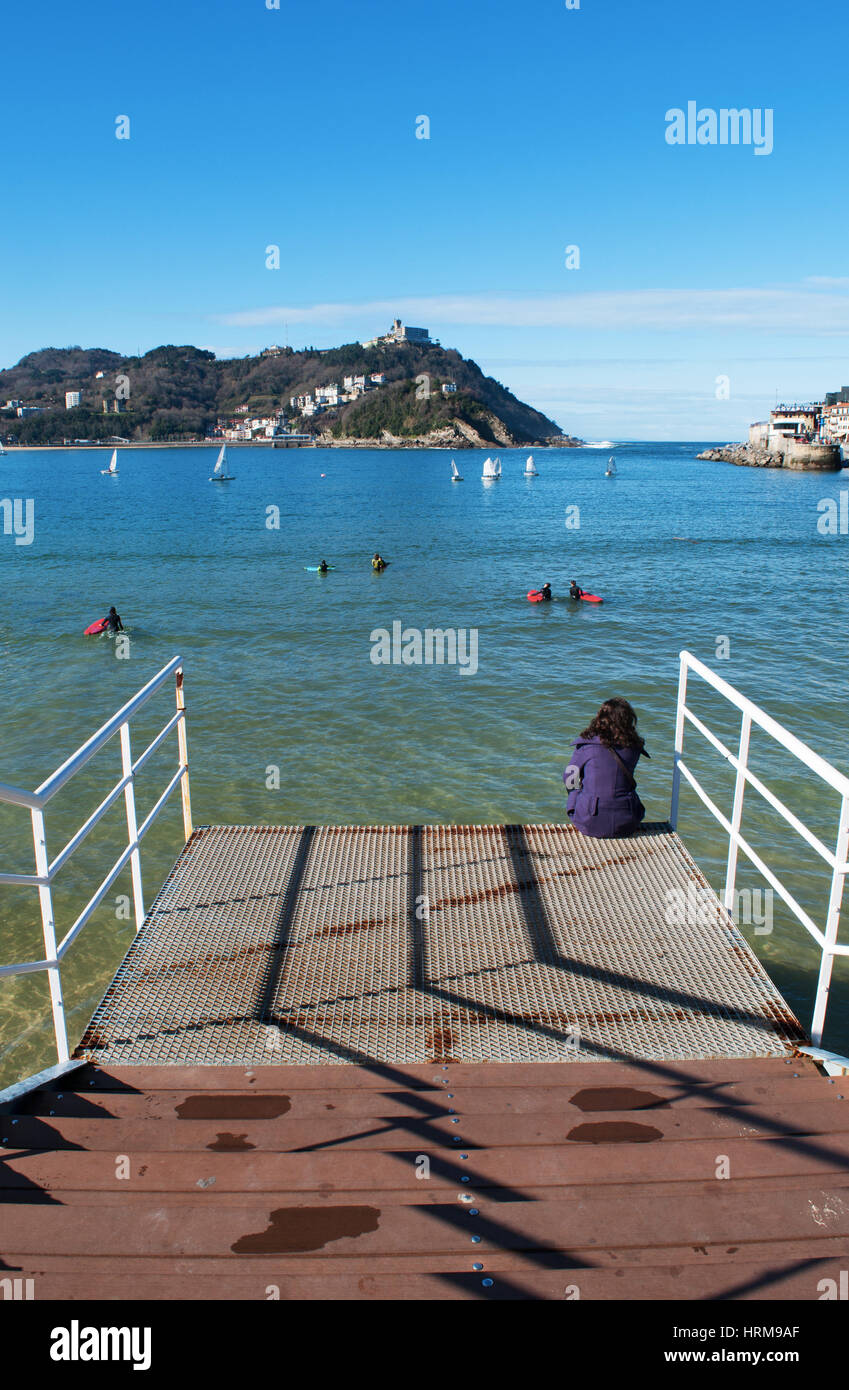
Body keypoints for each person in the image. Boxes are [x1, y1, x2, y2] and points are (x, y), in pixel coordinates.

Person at [563, 697, 649, 839]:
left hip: (589, 821)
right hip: (627, 822)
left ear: (600, 718)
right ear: (628, 720)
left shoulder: (587, 746)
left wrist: (574, 798)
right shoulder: (634, 748)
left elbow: (569, 777)